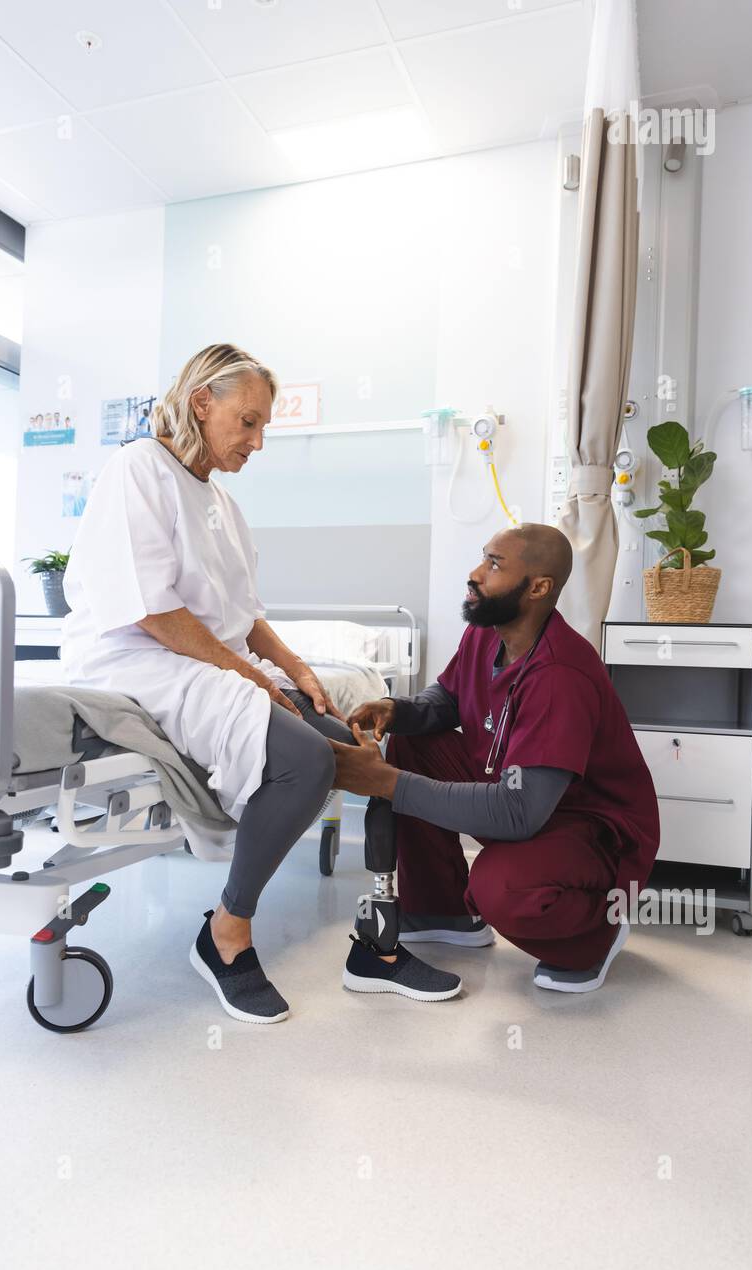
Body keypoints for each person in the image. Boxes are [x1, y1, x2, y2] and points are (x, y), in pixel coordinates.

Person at [60, 343, 460, 1024]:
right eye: (247, 422)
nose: (257, 441)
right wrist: (251, 678)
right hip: (136, 655)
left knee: (359, 753)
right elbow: (153, 612)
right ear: (201, 404)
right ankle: (226, 931)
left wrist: (297, 669)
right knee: (304, 762)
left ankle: (379, 944)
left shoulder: (220, 504)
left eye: (262, 426)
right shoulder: (137, 470)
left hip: (201, 654)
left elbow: (246, 619)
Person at [330, 523, 660, 993]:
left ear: (539, 588)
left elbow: (519, 813)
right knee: (410, 743)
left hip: (588, 827)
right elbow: (447, 696)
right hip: (514, 788)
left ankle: (595, 936)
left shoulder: (559, 675)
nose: (475, 573)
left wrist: (386, 784)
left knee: (501, 888)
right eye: (483, 558)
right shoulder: (491, 632)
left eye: (494, 564)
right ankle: (445, 912)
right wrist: (398, 709)